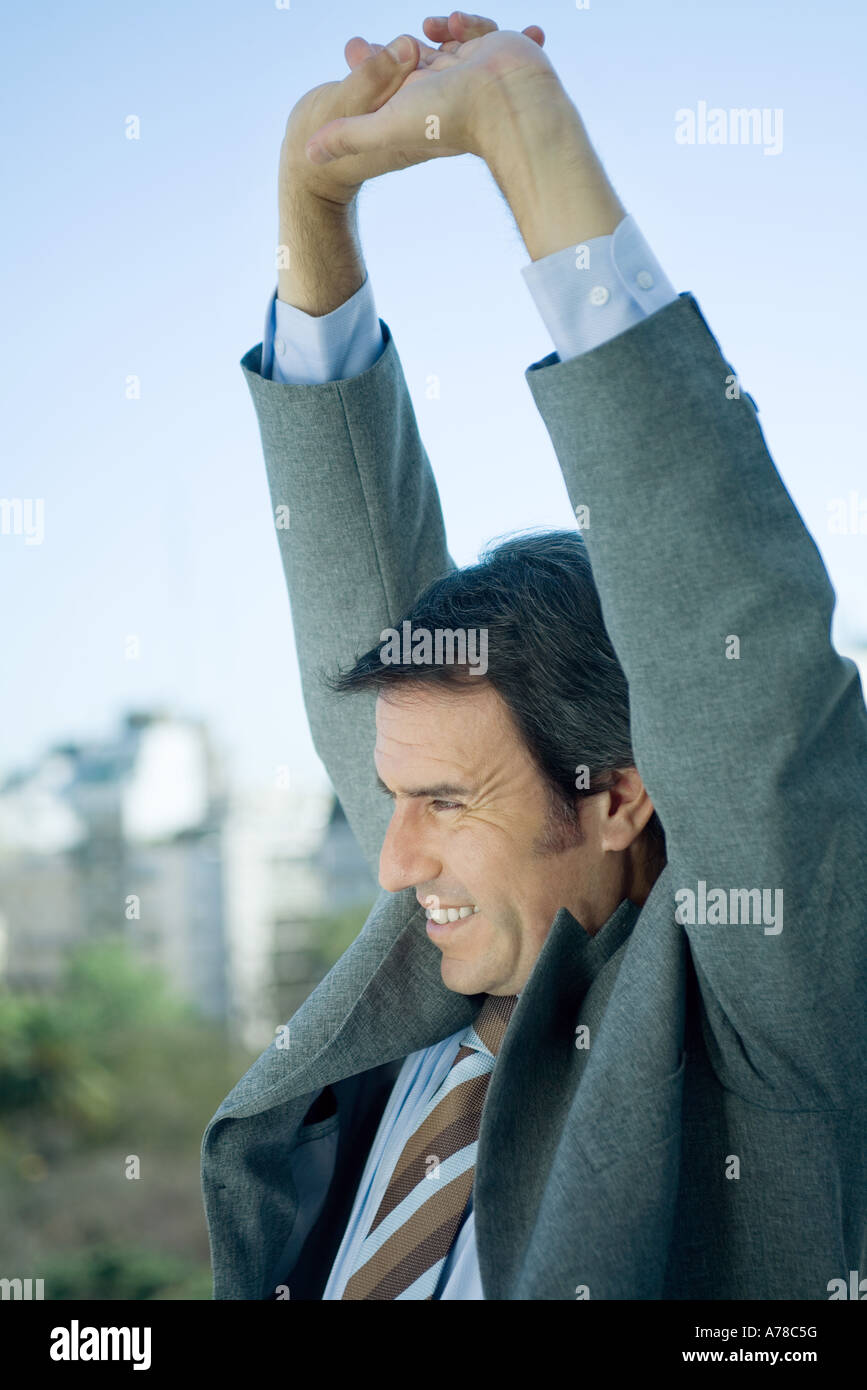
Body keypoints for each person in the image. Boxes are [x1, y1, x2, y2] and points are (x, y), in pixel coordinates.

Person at [201, 11, 867, 1300]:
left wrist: (529, 143)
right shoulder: (434, 965)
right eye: (398, 795)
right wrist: (313, 223)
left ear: (620, 791)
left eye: (446, 804)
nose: (395, 862)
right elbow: (362, 598)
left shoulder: (763, 1035)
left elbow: (746, 673)